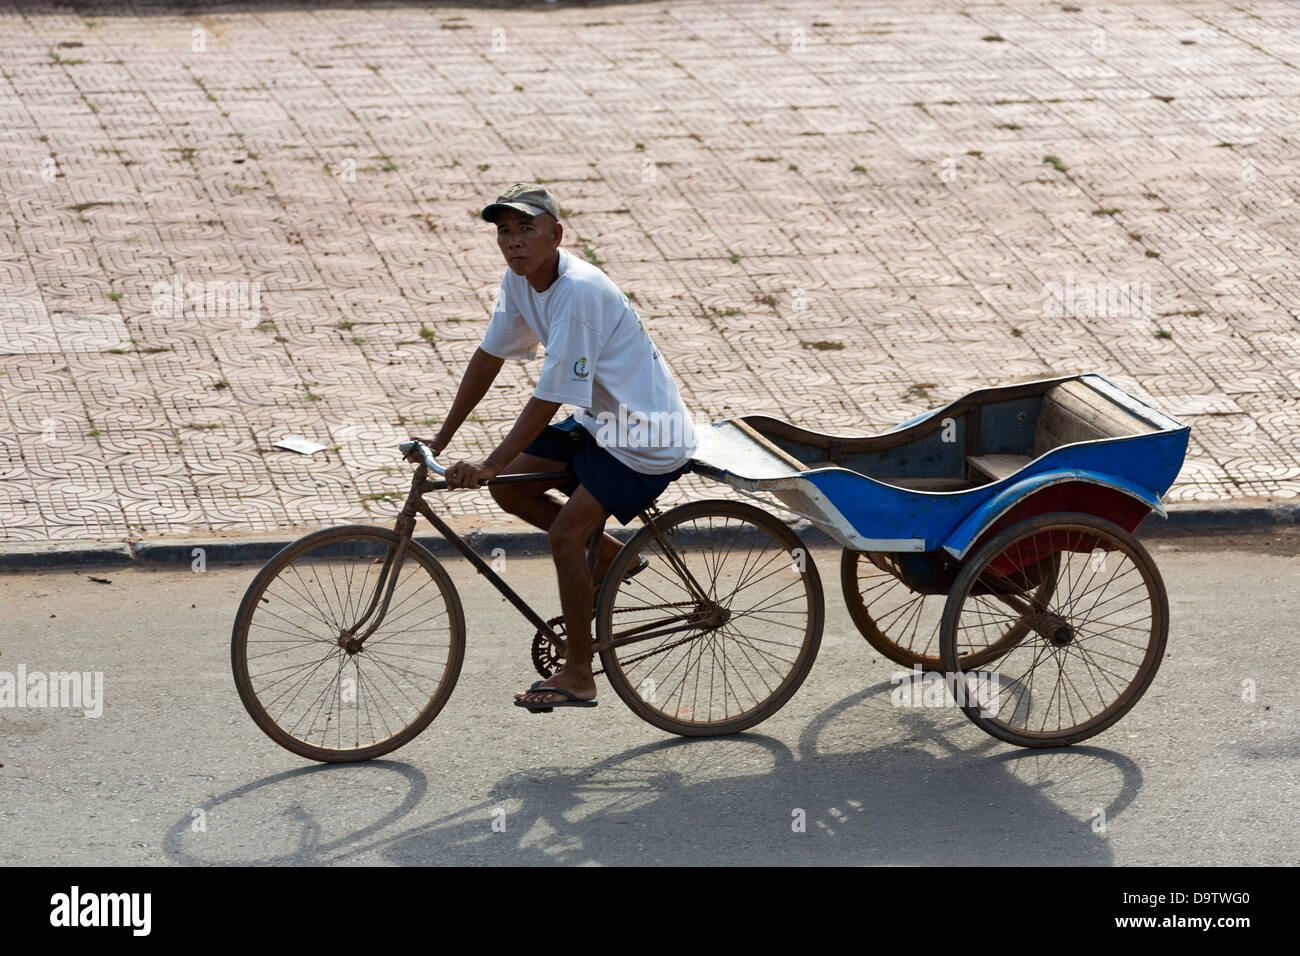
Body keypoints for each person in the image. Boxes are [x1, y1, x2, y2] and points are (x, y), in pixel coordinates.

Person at [407, 183, 698, 711]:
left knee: (566, 535)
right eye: (504, 231)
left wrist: (490, 463)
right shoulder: (520, 280)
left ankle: (581, 675)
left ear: (555, 235)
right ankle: (612, 556)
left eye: (525, 229)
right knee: (513, 491)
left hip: (646, 437)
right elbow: (490, 356)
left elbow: (550, 395)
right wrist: (441, 438)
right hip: (600, 422)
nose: (513, 241)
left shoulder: (579, 293)